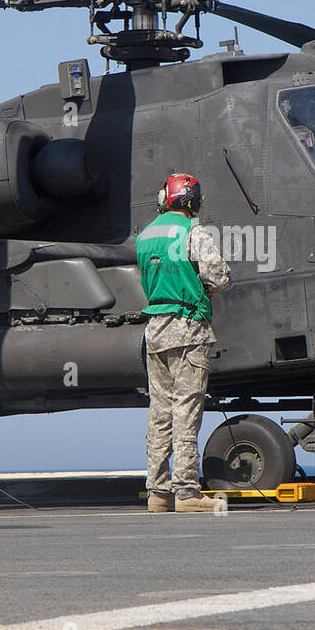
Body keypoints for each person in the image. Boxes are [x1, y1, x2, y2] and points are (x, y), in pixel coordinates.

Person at [135, 174, 231, 513]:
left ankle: (158, 493)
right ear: (193, 200)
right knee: (185, 410)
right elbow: (219, 278)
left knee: (159, 412)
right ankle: (187, 492)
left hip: (155, 330)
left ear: (166, 198)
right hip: (188, 329)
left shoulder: (145, 236)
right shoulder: (194, 233)